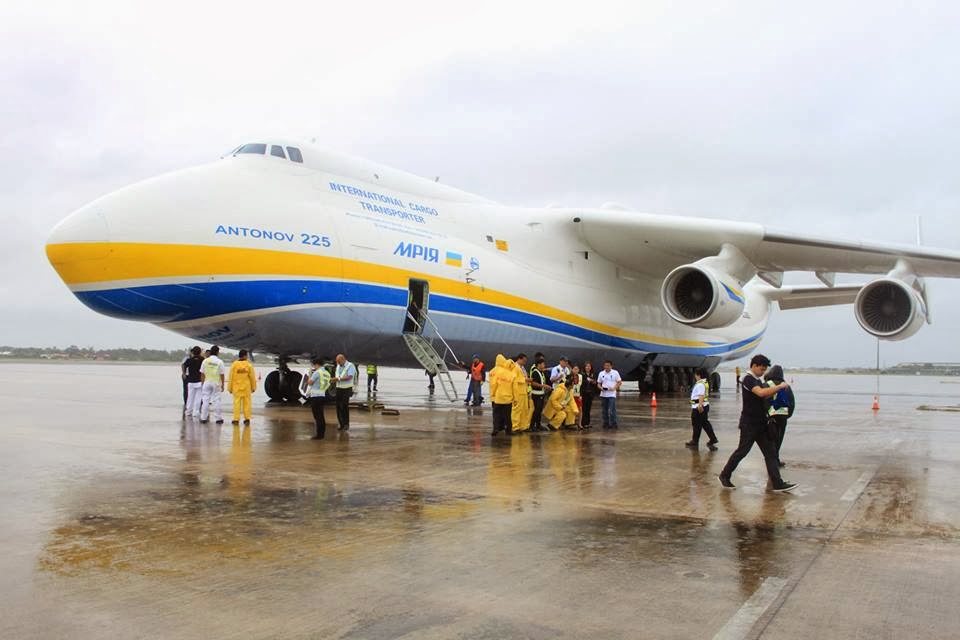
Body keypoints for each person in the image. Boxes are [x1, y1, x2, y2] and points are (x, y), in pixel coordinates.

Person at [718, 355, 798, 492]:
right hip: (749, 424)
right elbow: (761, 393)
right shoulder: (748, 379)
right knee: (742, 451)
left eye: (764, 370)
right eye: (761, 369)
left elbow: (765, 395)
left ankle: (777, 483)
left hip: (762, 424)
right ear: (754, 366)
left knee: (771, 453)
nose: (763, 372)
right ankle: (724, 475)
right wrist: (779, 387)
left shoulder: (757, 380)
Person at [765, 365, 796, 467]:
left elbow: (762, 401)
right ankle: (775, 459)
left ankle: (771, 460)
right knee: (779, 439)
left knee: (769, 439)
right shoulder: (786, 386)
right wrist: (788, 415)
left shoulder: (767, 384)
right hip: (783, 417)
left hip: (770, 416)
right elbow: (791, 402)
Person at [685, 368, 718, 450]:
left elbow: (701, 395)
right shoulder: (704, 382)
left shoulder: (700, 384)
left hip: (699, 407)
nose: (695, 376)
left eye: (696, 375)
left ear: (698, 375)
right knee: (704, 424)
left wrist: (700, 405)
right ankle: (712, 438)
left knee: (697, 424)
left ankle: (695, 441)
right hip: (703, 406)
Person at [303, 357, 332, 439]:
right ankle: (321, 433)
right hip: (322, 395)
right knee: (321, 416)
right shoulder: (326, 373)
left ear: (316, 364)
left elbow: (310, 382)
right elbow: (328, 383)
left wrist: (309, 376)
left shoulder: (317, 372)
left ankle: (319, 435)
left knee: (317, 416)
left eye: (314, 365)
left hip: (315, 396)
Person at [227, 349, 257, 425]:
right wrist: (253, 387)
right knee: (247, 403)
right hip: (246, 387)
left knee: (236, 403)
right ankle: (247, 418)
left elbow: (231, 377)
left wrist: (229, 388)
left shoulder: (234, 365)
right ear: (245, 356)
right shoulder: (249, 365)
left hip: (236, 387)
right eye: (246, 355)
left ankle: (236, 419)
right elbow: (252, 377)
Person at [488, 354, 515, 435]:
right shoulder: (510, 374)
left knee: (496, 414)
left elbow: (493, 385)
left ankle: (496, 428)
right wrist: (515, 398)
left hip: (497, 397)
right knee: (507, 415)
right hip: (507, 398)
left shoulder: (492, 371)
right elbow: (514, 388)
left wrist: (493, 394)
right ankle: (508, 430)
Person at [199, 345, 225, 424]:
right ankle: (218, 418)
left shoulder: (205, 361)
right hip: (216, 382)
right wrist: (223, 384)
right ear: (217, 352)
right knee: (216, 400)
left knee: (205, 400)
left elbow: (202, 373)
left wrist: (203, 383)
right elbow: (222, 374)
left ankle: (203, 417)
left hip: (207, 382)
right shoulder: (219, 361)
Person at [332, 354, 356, 431]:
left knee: (344, 406)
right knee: (338, 407)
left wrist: (338, 379)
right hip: (339, 388)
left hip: (347, 388)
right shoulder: (339, 365)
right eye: (337, 362)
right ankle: (341, 424)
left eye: (339, 361)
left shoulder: (350, 366)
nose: (338, 363)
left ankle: (346, 424)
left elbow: (350, 377)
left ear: (343, 359)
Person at [596, 360, 622, 429]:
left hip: (611, 394)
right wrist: (600, 388)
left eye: (608, 365)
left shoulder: (615, 372)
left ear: (611, 366)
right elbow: (598, 383)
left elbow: (619, 382)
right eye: (605, 365)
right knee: (604, 410)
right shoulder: (601, 373)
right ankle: (606, 423)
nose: (606, 367)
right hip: (603, 394)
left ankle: (614, 423)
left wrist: (614, 388)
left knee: (612, 410)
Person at [510, 354, 531, 434]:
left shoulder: (522, 368)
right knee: (517, 410)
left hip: (524, 391)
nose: (525, 362)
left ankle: (524, 426)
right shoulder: (515, 367)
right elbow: (514, 378)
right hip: (518, 392)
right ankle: (515, 427)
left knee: (524, 410)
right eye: (524, 361)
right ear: (519, 359)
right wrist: (525, 379)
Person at [528, 358, 551, 431]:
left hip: (541, 394)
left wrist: (546, 387)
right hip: (536, 394)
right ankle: (532, 425)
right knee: (536, 410)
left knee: (539, 410)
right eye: (543, 364)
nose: (544, 365)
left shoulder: (541, 372)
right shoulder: (535, 372)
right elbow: (533, 383)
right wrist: (543, 386)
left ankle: (538, 425)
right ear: (539, 364)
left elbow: (541, 382)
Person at [183, 346, 204, 418]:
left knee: (190, 397)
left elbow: (183, 365)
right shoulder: (202, 360)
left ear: (192, 352)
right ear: (200, 352)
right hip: (199, 381)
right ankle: (196, 412)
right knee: (198, 397)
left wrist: (184, 373)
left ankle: (188, 411)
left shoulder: (189, 360)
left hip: (191, 381)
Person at [580, 361, 597, 428]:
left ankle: (587, 423)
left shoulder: (592, 374)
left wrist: (592, 381)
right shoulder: (582, 375)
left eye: (589, 366)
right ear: (584, 367)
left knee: (588, 408)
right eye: (587, 366)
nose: (588, 367)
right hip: (584, 393)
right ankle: (582, 423)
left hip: (590, 394)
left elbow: (595, 382)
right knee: (583, 408)